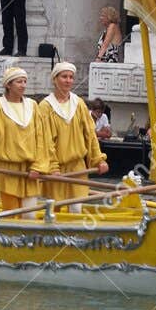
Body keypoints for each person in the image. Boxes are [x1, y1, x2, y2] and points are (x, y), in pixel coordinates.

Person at [0, 66, 56, 213]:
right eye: (19, 82)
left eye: (25, 81)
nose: (23, 85)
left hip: (29, 172)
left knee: (30, 215)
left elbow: (42, 139)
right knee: (10, 212)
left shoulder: (33, 106)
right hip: (6, 171)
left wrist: (38, 166)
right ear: (8, 85)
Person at [38, 61, 108, 208]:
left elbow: (90, 135)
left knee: (77, 208)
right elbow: (45, 141)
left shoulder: (79, 104)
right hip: (57, 169)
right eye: (64, 77)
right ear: (55, 79)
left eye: (71, 77)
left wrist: (98, 159)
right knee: (57, 209)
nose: (68, 80)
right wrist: (52, 167)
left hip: (78, 166)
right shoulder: (45, 106)